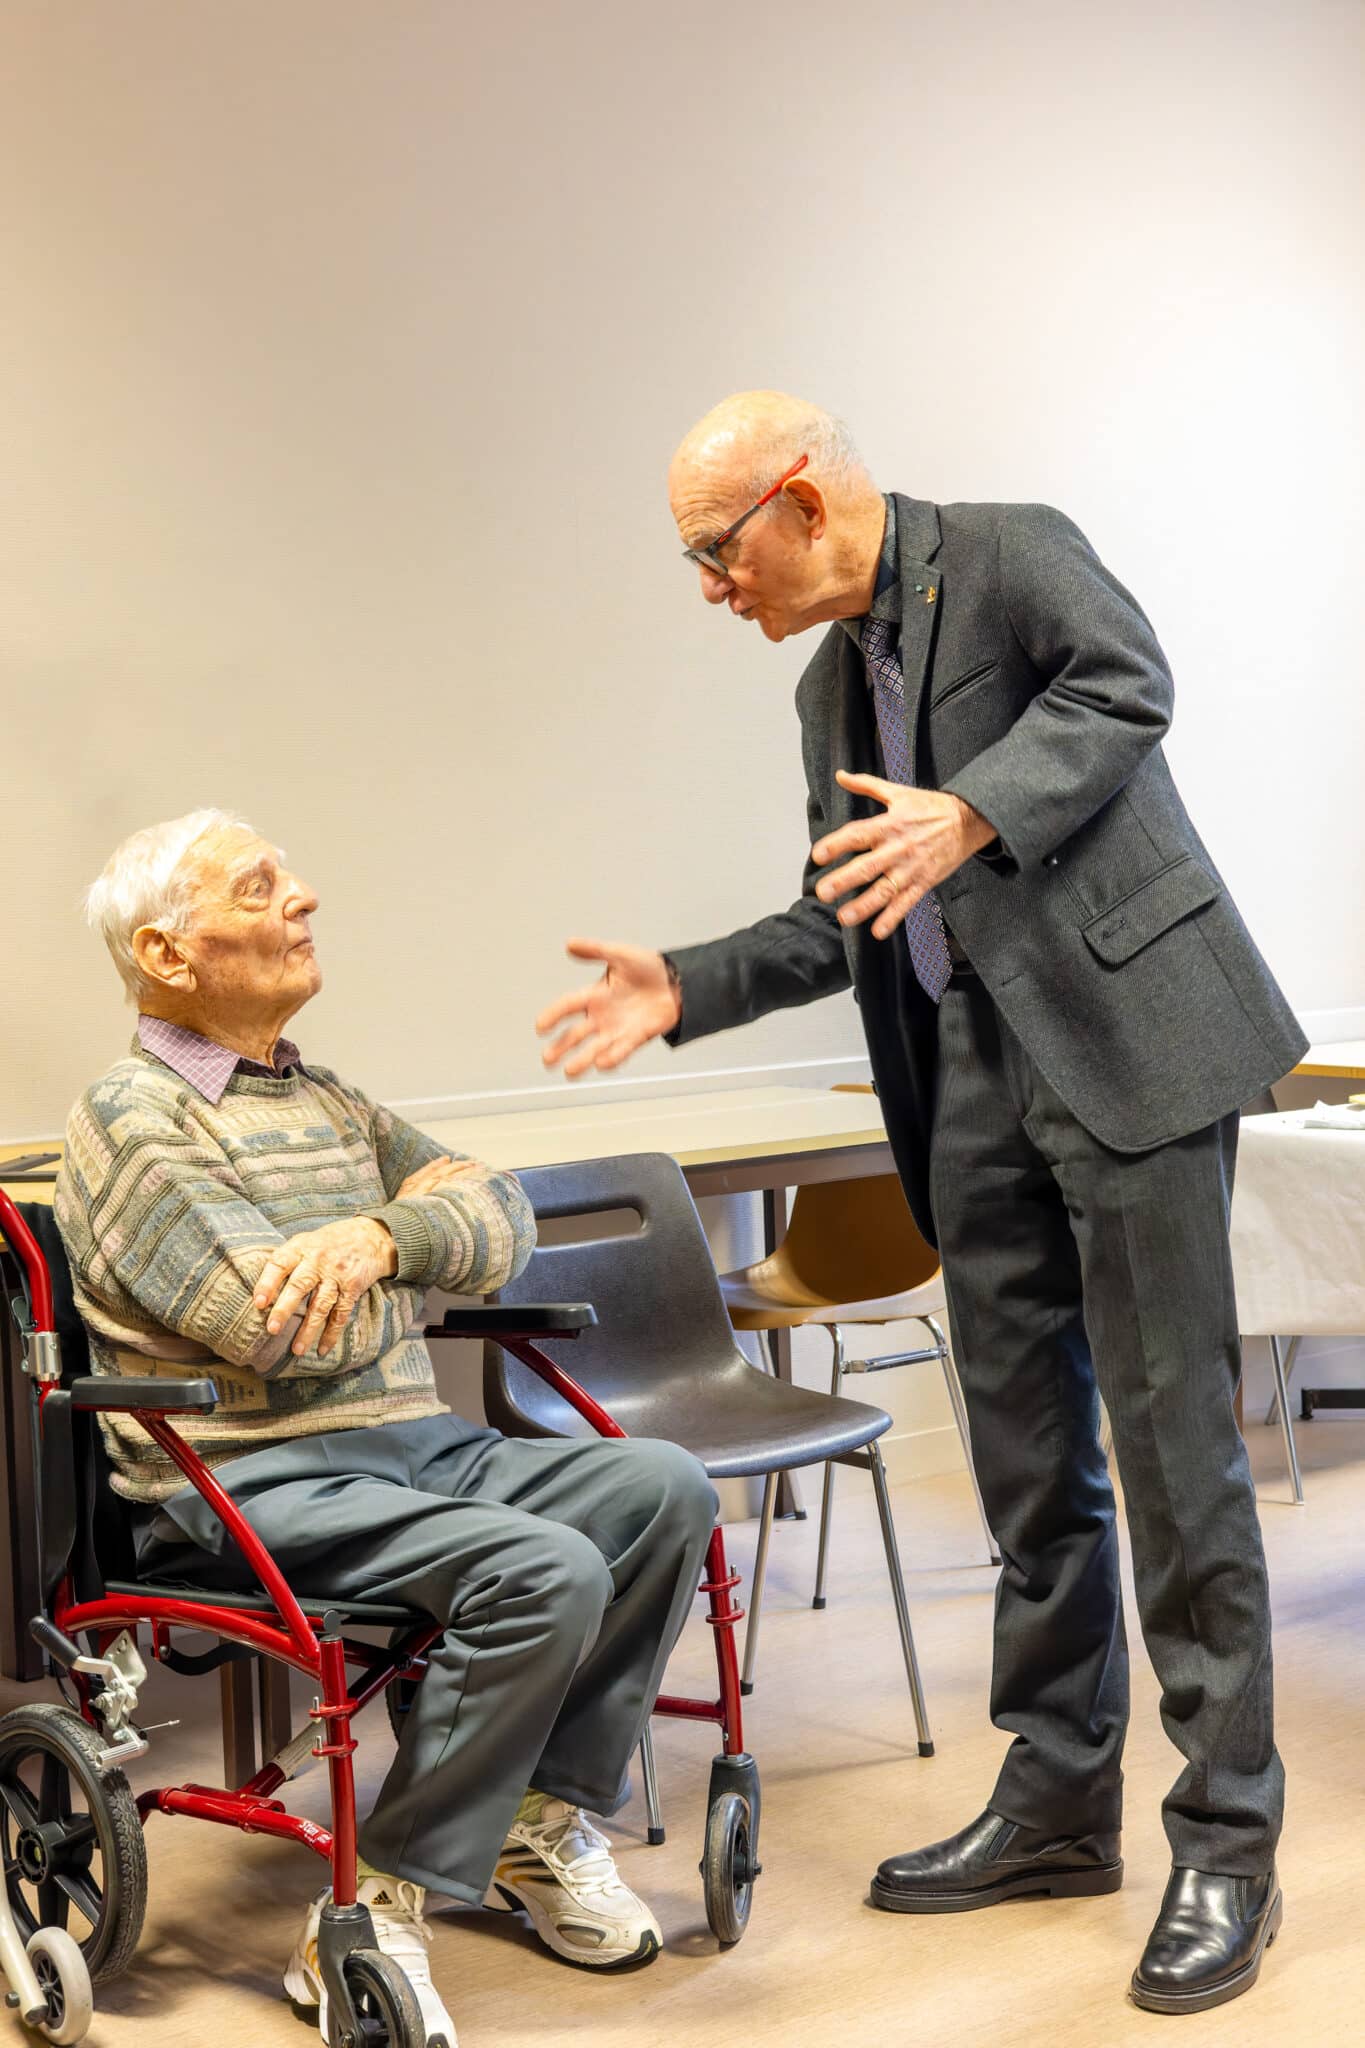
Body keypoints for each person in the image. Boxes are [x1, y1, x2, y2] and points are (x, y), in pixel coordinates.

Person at [536, 392, 1306, 2017]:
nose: (708, 587)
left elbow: (1130, 683)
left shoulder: (1018, 559)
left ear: (800, 501)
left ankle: (1225, 1836)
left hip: (1133, 1057)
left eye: (710, 550)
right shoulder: (831, 686)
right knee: (1029, 1465)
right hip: (971, 1093)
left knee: (1173, 1458)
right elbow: (850, 909)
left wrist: (976, 808)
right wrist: (687, 984)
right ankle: (1053, 1802)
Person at [56, 809, 717, 2048]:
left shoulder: (329, 1097)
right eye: (260, 889)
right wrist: (418, 1257)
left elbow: (500, 1213)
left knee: (665, 1486)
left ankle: (528, 1821)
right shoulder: (129, 1118)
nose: (303, 897)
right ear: (169, 951)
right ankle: (372, 1903)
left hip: (411, 1447)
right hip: (243, 1472)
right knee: (545, 1565)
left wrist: (383, 1239)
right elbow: (275, 1329)